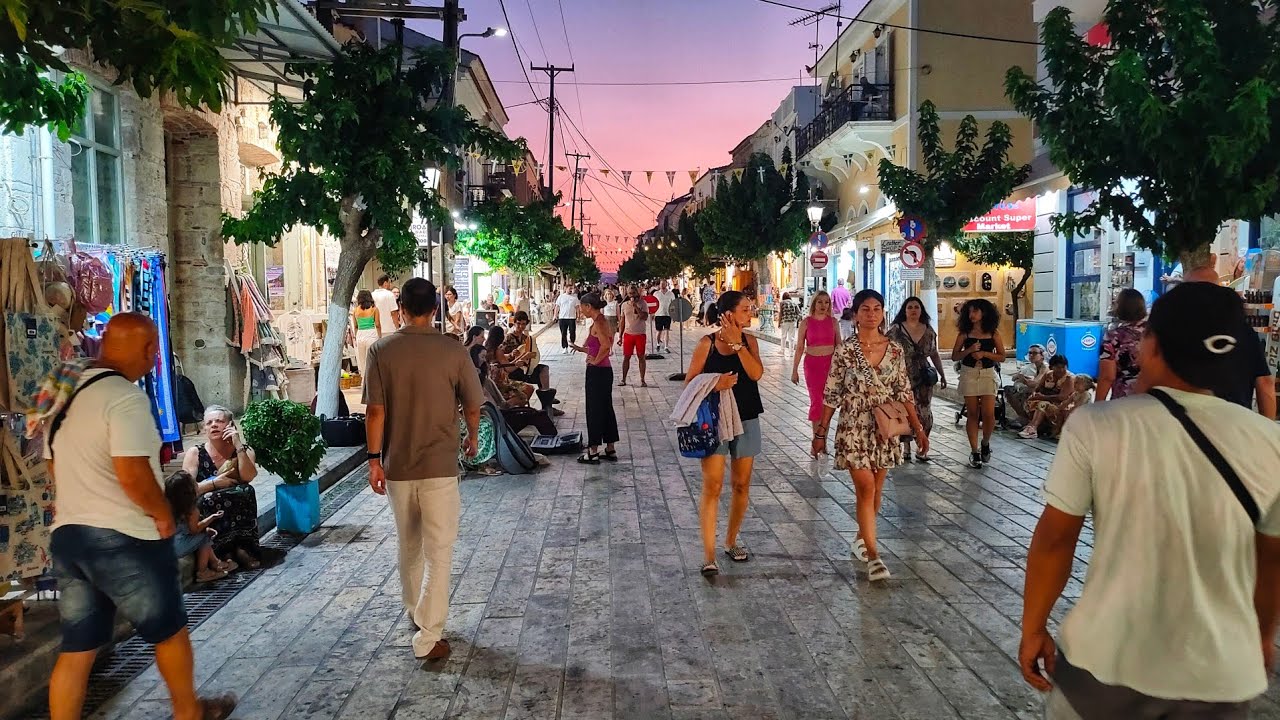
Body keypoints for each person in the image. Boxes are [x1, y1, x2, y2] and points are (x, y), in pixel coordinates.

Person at [1019, 282, 1280, 719]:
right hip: (1221, 677)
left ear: (1151, 344)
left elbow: (1055, 540)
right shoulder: (1270, 442)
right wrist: (1261, 637)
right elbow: (1271, 560)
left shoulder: (1096, 427)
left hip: (1108, 663)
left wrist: (1033, 628)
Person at [46, 313, 236, 720]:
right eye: (154, 352)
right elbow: (132, 471)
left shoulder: (66, 393)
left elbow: (51, 465)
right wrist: (162, 514)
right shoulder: (125, 398)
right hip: (124, 537)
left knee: (78, 648)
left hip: (71, 536)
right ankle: (188, 711)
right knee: (168, 630)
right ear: (149, 349)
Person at [364, 278, 482, 662]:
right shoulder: (452, 349)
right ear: (435, 309)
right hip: (439, 465)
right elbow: (473, 404)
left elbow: (375, 411)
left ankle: (417, 611)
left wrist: (374, 460)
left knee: (409, 544)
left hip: (397, 466)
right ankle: (429, 636)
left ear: (400, 308)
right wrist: (472, 437)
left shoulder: (381, 350)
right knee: (439, 551)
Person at [812, 290, 924, 583]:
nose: (871, 314)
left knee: (876, 488)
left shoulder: (895, 350)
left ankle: (862, 538)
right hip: (854, 424)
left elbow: (904, 391)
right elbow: (832, 393)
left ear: (883, 313)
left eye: (876, 308)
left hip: (884, 427)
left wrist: (918, 428)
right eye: (865, 309)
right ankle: (874, 555)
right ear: (856, 314)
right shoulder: (845, 351)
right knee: (865, 487)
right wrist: (821, 432)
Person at [685, 291, 765, 576]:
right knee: (714, 485)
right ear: (728, 314)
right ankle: (709, 555)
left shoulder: (750, 342)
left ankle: (730, 540)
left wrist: (738, 345)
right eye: (745, 309)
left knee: (741, 484)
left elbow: (756, 374)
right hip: (715, 420)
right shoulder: (707, 344)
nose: (750, 313)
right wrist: (714, 383)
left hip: (747, 416)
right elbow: (689, 382)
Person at [1181, 266, 1279, 419]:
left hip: (1188, 423)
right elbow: (1265, 383)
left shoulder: (1177, 332)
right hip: (1237, 420)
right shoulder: (1244, 331)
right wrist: (1266, 427)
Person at [185, 405, 262, 571]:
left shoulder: (244, 450)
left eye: (219, 421)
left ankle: (243, 549)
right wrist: (214, 484)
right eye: (209, 423)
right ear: (204, 428)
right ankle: (221, 553)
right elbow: (186, 491)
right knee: (211, 498)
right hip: (206, 503)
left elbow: (248, 477)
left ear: (230, 425)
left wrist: (238, 445)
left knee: (246, 491)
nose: (214, 425)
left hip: (236, 506)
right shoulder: (195, 453)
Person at [887, 296, 948, 461]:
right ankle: (905, 446)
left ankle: (922, 444)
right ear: (904, 310)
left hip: (923, 376)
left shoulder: (928, 330)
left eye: (916, 307)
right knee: (903, 410)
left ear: (921, 310)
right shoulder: (896, 330)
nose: (913, 310)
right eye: (910, 307)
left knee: (924, 410)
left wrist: (942, 374)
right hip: (901, 375)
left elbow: (934, 353)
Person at [953, 298, 1005, 469]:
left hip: (987, 373)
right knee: (973, 413)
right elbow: (955, 356)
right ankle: (974, 450)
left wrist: (984, 354)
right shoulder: (964, 334)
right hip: (969, 373)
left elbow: (1002, 356)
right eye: (969, 311)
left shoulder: (993, 333)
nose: (971, 315)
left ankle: (985, 442)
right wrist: (969, 351)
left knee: (989, 413)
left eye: (975, 311)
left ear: (984, 313)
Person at [571, 293, 620, 463]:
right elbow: (598, 347)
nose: (581, 310)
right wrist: (581, 349)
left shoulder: (599, 322)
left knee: (594, 410)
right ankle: (610, 448)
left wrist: (595, 361)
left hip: (598, 372)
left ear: (588, 306)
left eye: (582, 307)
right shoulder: (601, 321)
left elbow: (606, 347)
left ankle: (593, 451)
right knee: (606, 408)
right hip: (604, 371)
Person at [164, 471, 230, 583]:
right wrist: (212, 518)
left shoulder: (170, 506)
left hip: (166, 545)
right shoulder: (191, 511)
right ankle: (202, 572)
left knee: (203, 533)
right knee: (205, 537)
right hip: (177, 548)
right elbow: (194, 530)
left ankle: (215, 562)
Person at [791, 291, 840, 442]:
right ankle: (816, 438)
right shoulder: (806, 323)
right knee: (817, 401)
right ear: (814, 303)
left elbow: (839, 346)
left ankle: (823, 438)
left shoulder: (833, 322)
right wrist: (794, 370)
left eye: (826, 302)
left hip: (830, 366)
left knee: (827, 402)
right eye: (820, 302)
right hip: (812, 365)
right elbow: (800, 347)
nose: (823, 305)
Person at [1096, 288, 1147, 401]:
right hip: (1154, 399)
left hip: (1125, 399)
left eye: (1116, 302)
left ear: (1122, 307)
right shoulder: (1156, 332)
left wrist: (1098, 404)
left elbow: (1107, 376)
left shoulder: (1113, 336)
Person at [505, 311, 560, 414]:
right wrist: (511, 354)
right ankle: (548, 402)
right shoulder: (508, 337)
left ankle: (547, 401)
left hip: (525, 368)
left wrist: (531, 356)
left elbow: (534, 353)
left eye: (523, 324)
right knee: (541, 378)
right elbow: (501, 356)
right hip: (514, 370)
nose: (521, 326)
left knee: (543, 370)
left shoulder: (526, 338)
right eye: (518, 323)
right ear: (514, 323)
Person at [1018, 355, 1072, 439]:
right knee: (1029, 401)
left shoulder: (1069, 378)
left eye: (1063, 367)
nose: (1061, 370)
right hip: (1048, 401)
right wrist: (1034, 394)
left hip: (1063, 406)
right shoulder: (1048, 374)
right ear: (1051, 367)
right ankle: (1034, 425)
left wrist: (1043, 397)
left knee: (1042, 404)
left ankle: (1033, 428)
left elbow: (1062, 397)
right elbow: (1038, 388)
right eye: (1058, 367)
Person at [484, 327, 536, 408]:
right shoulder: (498, 351)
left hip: (492, 382)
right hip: (500, 383)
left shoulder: (487, 348)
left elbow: (506, 363)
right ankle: (508, 408)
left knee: (526, 388)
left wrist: (517, 356)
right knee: (528, 389)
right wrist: (522, 360)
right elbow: (509, 368)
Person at [1006, 345, 1048, 423]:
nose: (1031, 355)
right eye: (1030, 353)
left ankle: (1025, 418)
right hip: (1039, 390)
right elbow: (1014, 377)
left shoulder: (1044, 367)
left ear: (1042, 355)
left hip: (1045, 392)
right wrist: (1022, 377)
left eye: (1035, 353)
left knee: (1015, 392)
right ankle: (1024, 417)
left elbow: (1034, 384)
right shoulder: (1035, 366)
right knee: (1009, 390)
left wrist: (1023, 379)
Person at [619, 286, 650, 387]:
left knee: (641, 357)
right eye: (630, 293)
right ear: (627, 294)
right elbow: (622, 321)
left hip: (640, 334)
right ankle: (623, 379)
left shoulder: (643, 303)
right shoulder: (624, 305)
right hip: (628, 334)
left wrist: (636, 306)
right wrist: (620, 336)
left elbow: (644, 317)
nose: (632, 295)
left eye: (633, 293)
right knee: (626, 357)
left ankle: (642, 379)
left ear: (637, 293)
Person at [350, 289, 381, 378]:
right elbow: (377, 324)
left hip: (360, 335)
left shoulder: (355, 310)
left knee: (362, 361)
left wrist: (356, 337)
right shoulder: (374, 309)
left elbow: (355, 326)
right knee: (372, 360)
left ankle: (364, 380)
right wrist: (379, 336)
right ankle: (372, 379)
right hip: (371, 334)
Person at [556, 284, 581, 354]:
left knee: (572, 332)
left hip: (571, 318)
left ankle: (572, 345)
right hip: (562, 318)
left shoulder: (575, 298)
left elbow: (577, 308)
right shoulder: (561, 297)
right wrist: (555, 315)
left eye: (572, 289)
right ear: (565, 288)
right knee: (563, 333)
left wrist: (578, 316)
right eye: (570, 288)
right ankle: (565, 347)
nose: (571, 290)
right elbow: (557, 306)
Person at [654, 280, 676, 353]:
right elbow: (654, 304)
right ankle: (658, 344)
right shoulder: (656, 294)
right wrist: (652, 313)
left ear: (666, 284)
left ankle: (666, 347)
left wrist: (673, 315)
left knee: (667, 331)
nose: (662, 285)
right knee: (659, 331)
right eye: (661, 284)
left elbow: (673, 304)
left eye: (664, 284)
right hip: (658, 314)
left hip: (667, 315)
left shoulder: (671, 294)